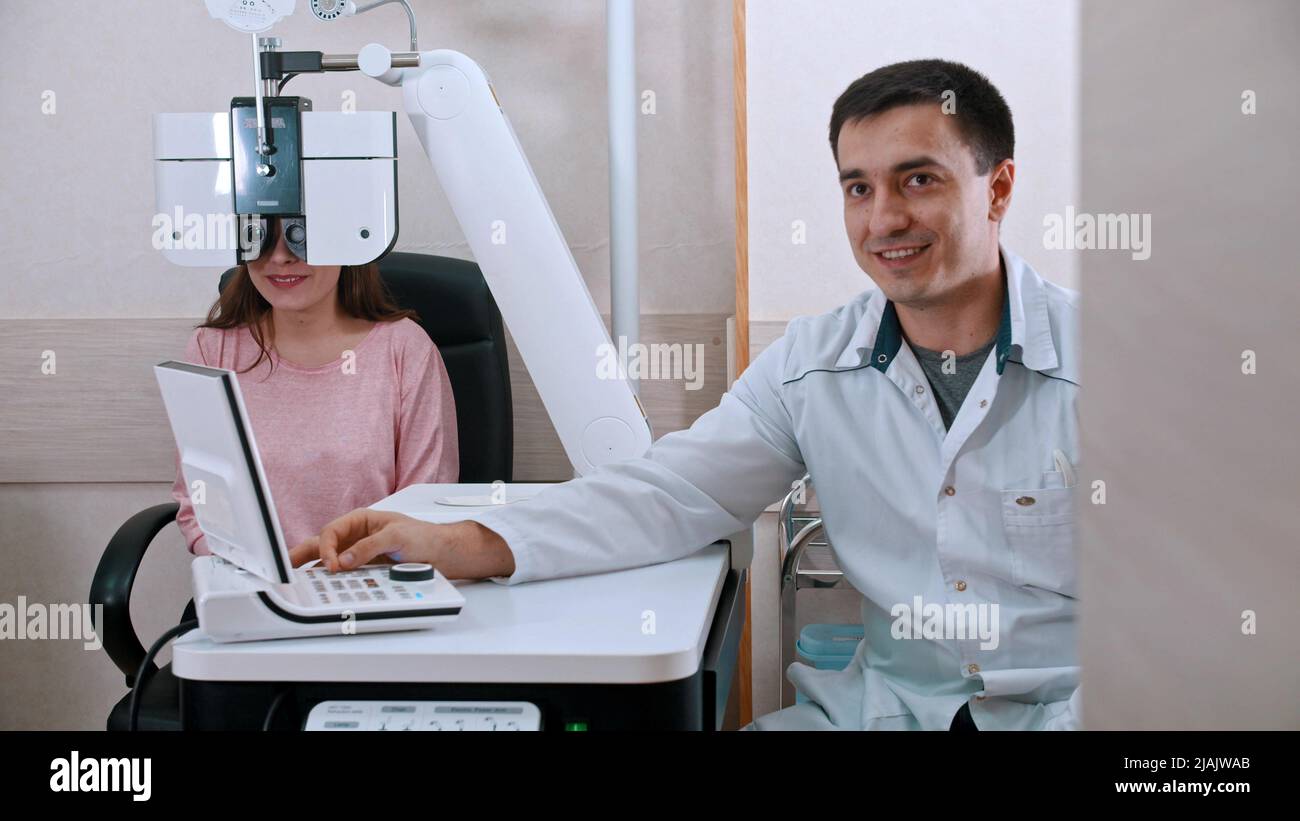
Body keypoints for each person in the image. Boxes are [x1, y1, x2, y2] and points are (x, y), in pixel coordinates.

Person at [291, 59, 1082, 731]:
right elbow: (668, 494)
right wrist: (459, 542)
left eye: (918, 179)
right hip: (889, 710)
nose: (884, 218)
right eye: (857, 187)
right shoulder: (813, 365)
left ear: (998, 187)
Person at [171, 217, 459, 556]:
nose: (279, 258)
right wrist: (265, 574)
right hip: (253, 584)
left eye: (300, 234)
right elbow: (199, 505)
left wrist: (341, 570)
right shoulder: (212, 350)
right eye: (259, 236)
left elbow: (422, 509)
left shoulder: (405, 348)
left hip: (371, 584)